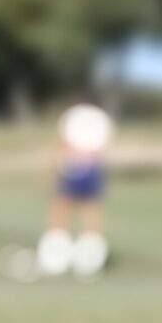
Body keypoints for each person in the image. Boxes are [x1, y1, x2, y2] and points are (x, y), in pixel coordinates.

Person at [38, 100, 114, 277]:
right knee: (89, 209)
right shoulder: (97, 118)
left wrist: (52, 169)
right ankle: (88, 257)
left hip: (72, 168)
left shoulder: (74, 117)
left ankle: (60, 256)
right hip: (92, 169)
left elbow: (61, 143)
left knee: (62, 207)